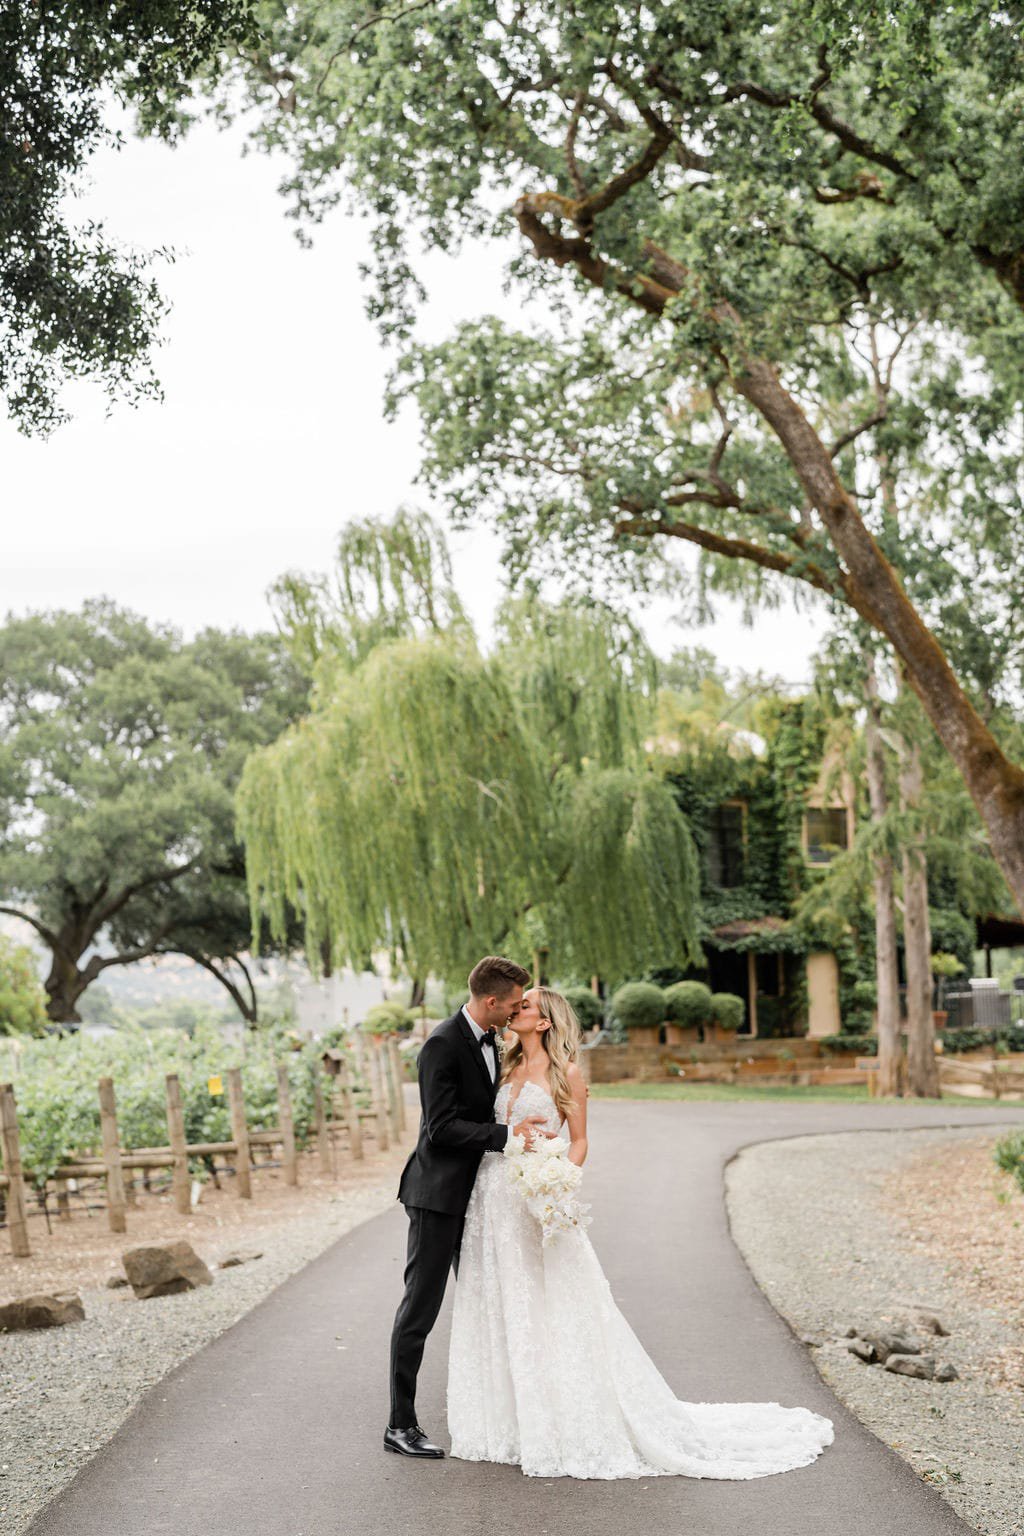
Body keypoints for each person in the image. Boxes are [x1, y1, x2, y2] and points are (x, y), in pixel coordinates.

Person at [445, 985, 835, 1480]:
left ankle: (564, 1417)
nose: (514, 1009)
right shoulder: (499, 1065)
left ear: (544, 1022)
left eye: (524, 1006)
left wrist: (558, 1184)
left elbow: (580, 1140)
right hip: (491, 1199)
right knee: (504, 1302)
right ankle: (510, 1421)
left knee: (551, 1304)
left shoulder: (567, 1073)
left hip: (536, 1195)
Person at [385, 955, 559, 1458]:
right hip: (437, 1197)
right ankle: (400, 1425)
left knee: (492, 1303)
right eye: (511, 1004)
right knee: (420, 1308)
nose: (514, 1012)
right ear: (490, 1002)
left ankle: (507, 1413)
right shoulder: (441, 1044)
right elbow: (441, 1129)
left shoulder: (496, 1045)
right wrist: (508, 1136)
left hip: (480, 1199)